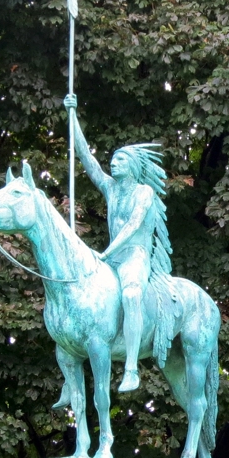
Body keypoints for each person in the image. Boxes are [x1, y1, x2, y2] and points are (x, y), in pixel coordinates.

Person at [63, 94, 172, 392]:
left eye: (121, 158)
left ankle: (132, 367)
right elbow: (87, 158)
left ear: (134, 166)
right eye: (112, 158)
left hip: (134, 256)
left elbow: (134, 225)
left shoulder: (144, 193)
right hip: (111, 258)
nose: (113, 162)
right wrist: (72, 115)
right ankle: (70, 356)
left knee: (133, 294)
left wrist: (107, 252)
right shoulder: (111, 189)